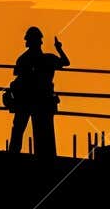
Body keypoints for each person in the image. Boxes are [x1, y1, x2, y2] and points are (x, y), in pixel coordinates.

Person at [7, 27, 69, 157]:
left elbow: (17, 77)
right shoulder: (48, 59)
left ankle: (12, 157)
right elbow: (65, 62)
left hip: (26, 101)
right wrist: (58, 48)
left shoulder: (23, 59)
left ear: (28, 42)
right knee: (42, 133)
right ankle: (42, 159)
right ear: (40, 42)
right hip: (42, 102)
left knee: (18, 130)